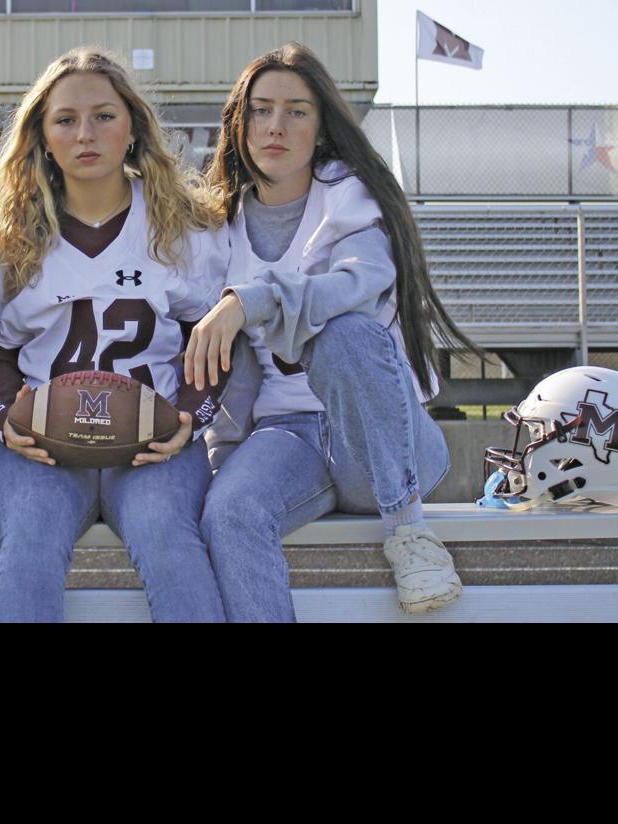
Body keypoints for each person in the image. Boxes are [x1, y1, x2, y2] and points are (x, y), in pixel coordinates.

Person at [185, 43, 482, 620]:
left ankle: (410, 536)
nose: (276, 126)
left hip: (379, 446)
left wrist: (252, 300)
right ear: (239, 124)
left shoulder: (351, 198)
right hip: (285, 436)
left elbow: (357, 285)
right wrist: (224, 458)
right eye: (262, 110)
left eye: (296, 110)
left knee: (342, 333)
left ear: (321, 128)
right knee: (230, 512)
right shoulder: (220, 224)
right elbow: (226, 367)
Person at [0, 47, 233, 622]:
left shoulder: (185, 226)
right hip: (42, 447)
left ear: (134, 129)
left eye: (104, 116)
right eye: (65, 120)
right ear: (42, 136)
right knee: (31, 543)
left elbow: (212, 337)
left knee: (168, 538)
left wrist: (189, 415)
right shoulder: (8, 237)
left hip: (154, 443)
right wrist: (4, 417)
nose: (85, 134)